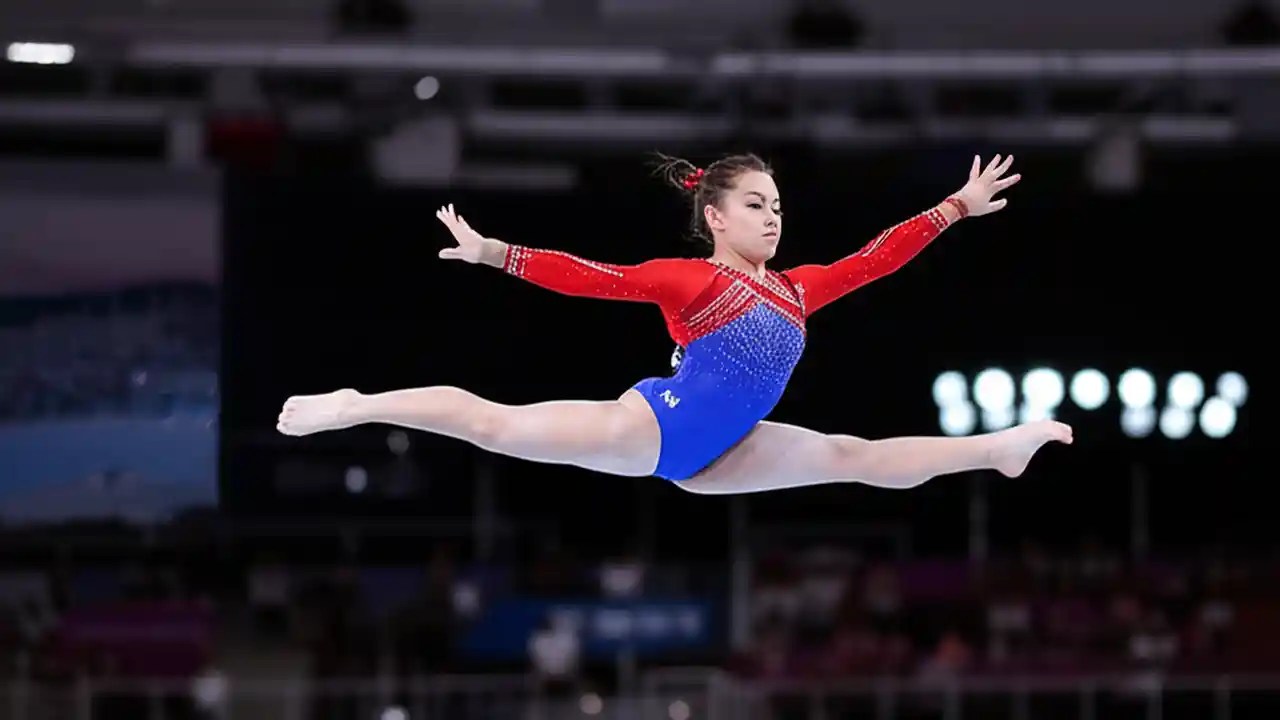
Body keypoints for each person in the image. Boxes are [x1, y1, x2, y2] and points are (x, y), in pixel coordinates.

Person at [277, 153, 1072, 494]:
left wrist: (954, 209)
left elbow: (873, 259)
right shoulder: (689, 281)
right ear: (716, 217)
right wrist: (493, 253)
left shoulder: (795, 291)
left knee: (849, 456)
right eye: (756, 205)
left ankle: (995, 451)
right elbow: (593, 278)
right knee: (496, 425)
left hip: (724, 454)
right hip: (659, 427)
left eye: (780, 206)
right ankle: (358, 403)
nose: (773, 217)